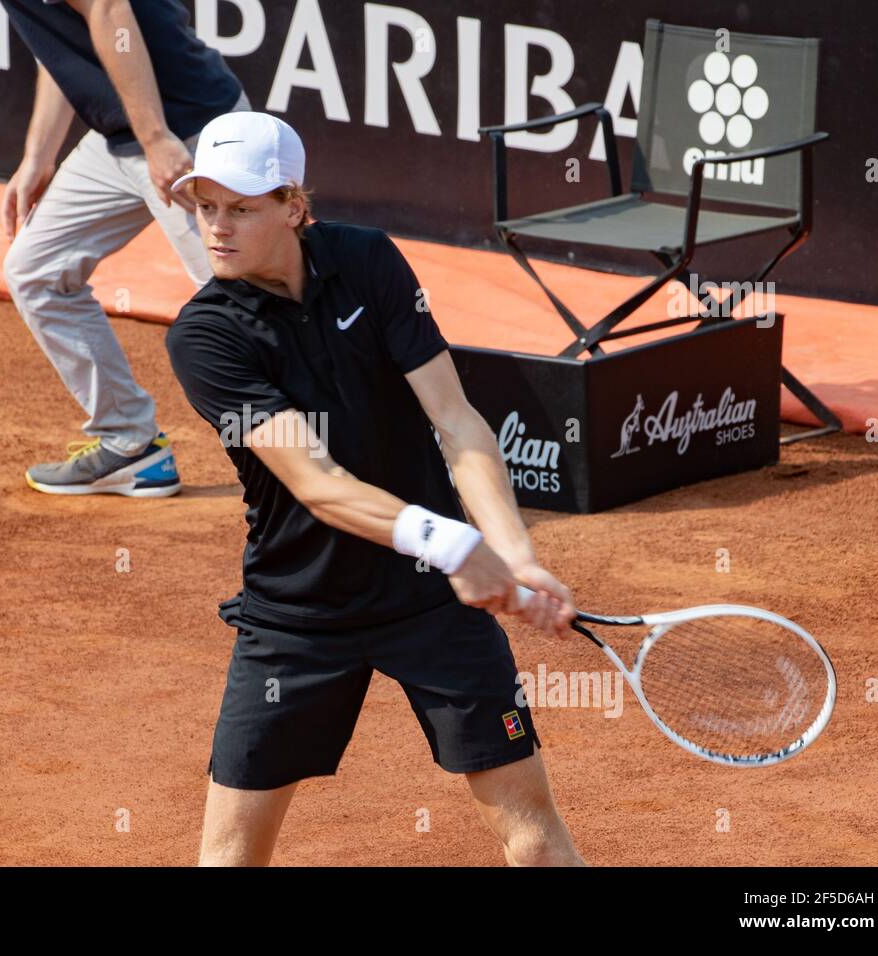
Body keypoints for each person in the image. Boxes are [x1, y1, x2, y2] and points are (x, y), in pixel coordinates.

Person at [164, 112, 587, 866]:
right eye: (205, 207)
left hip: (429, 605)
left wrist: (515, 555)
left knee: (533, 838)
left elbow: (457, 422)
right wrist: (457, 544)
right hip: (297, 616)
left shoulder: (368, 262)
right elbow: (319, 487)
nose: (216, 228)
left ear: (294, 206)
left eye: (241, 207)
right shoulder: (206, 336)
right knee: (229, 857)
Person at [0, 0, 250, 496]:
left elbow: (109, 9)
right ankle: (131, 444)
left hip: (188, 131)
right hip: (121, 137)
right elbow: (69, 35)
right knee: (37, 271)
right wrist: (38, 155)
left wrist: (156, 138)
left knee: (250, 303)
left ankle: (353, 454)